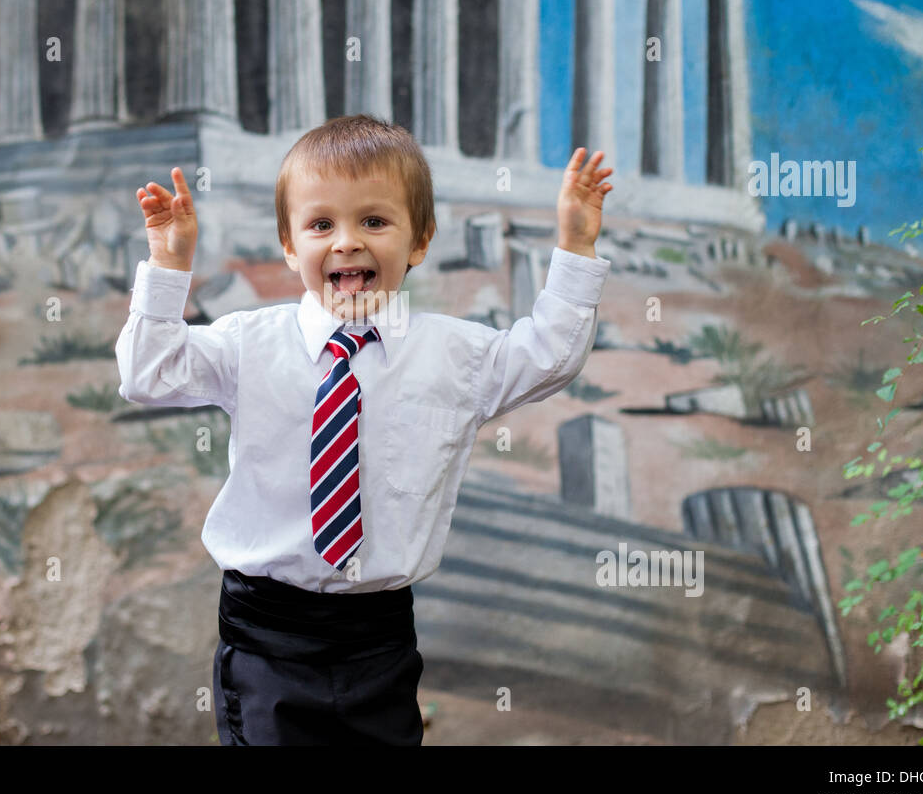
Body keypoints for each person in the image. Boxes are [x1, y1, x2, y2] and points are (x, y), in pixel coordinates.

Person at [116, 114, 613, 745]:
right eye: (321, 224)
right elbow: (147, 375)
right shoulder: (249, 345)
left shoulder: (454, 355)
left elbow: (550, 354)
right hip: (268, 631)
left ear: (420, 240)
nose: (347, 243)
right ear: (290, 245)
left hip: (379, 637)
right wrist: (167, 267)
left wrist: (575, 247)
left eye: (374, 221)